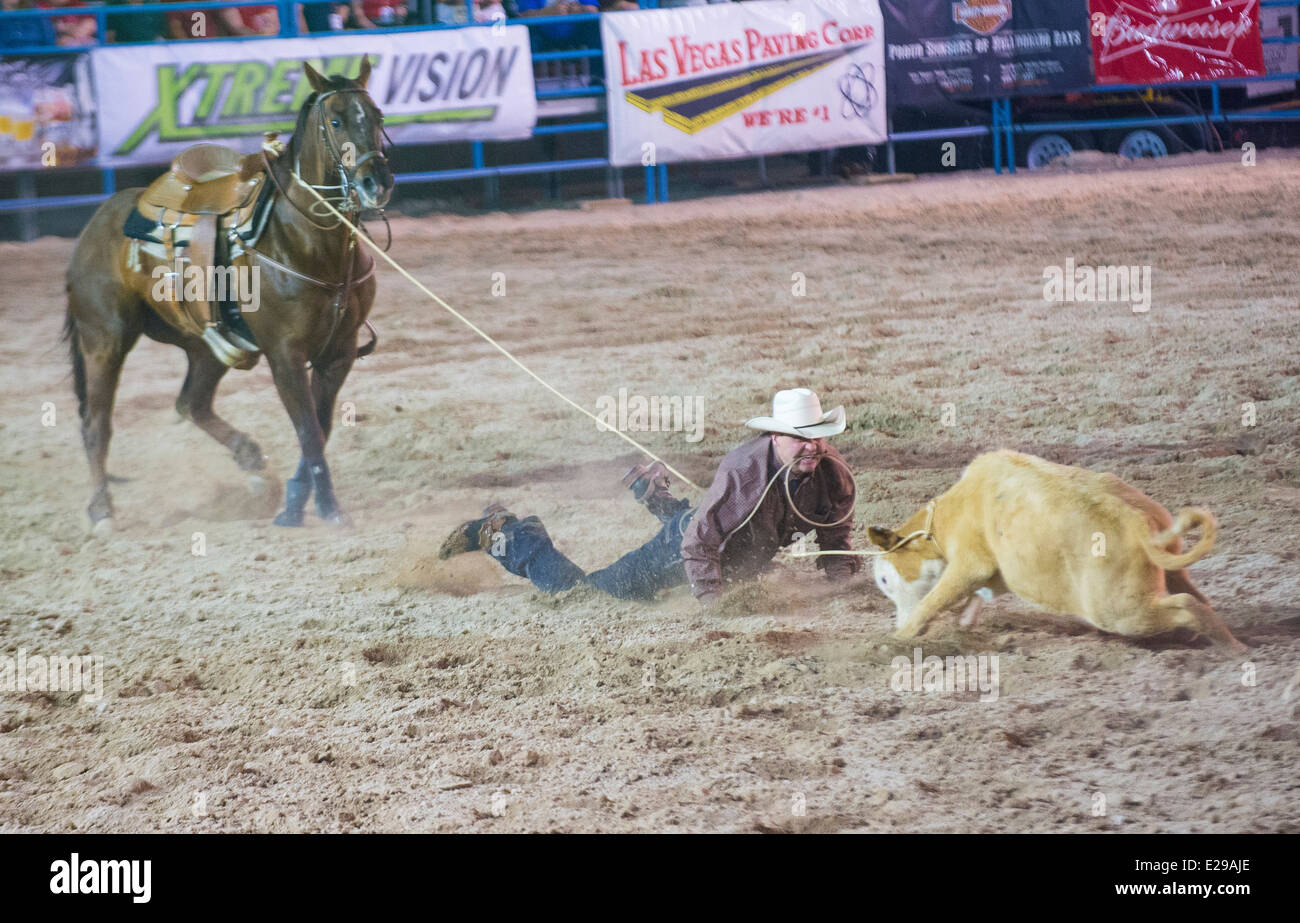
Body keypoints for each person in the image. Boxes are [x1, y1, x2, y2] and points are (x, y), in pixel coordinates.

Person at [440, 388, 860, 603]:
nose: (813, 447)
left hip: (734, 549)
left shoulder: (830, 472)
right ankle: (513, 534)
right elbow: (698, 545)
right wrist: (714, 604)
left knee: (713, 522)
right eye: (801, 439)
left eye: (818, 437)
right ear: (775, 436)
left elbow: (834, 536)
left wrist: (843, 585)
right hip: (678, 552)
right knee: (583, 596)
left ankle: (655, 497)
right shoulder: (744, 473)